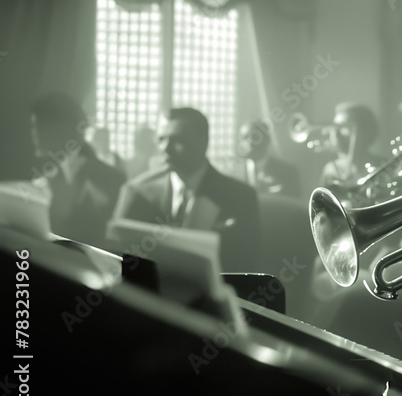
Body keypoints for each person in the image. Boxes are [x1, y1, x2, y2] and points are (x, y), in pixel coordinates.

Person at [112, 108, 259, 272]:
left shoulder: (240, 197)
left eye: (177, 140)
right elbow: (119, 262)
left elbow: (245, 267)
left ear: (203, 142)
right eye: (161, 140)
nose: (165, 149)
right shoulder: (137, 192)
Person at [28, 93, 125, 248]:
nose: (33, 133)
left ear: (60, 128)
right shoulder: (44, 176)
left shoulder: (112, 180)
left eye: (39, 125)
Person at [234, 119, 302, 199]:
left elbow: (294, 207)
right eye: (244, 138)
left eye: (254, 137)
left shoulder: (289, 173)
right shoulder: (233, 175)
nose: (248, 143)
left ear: (267, 140)